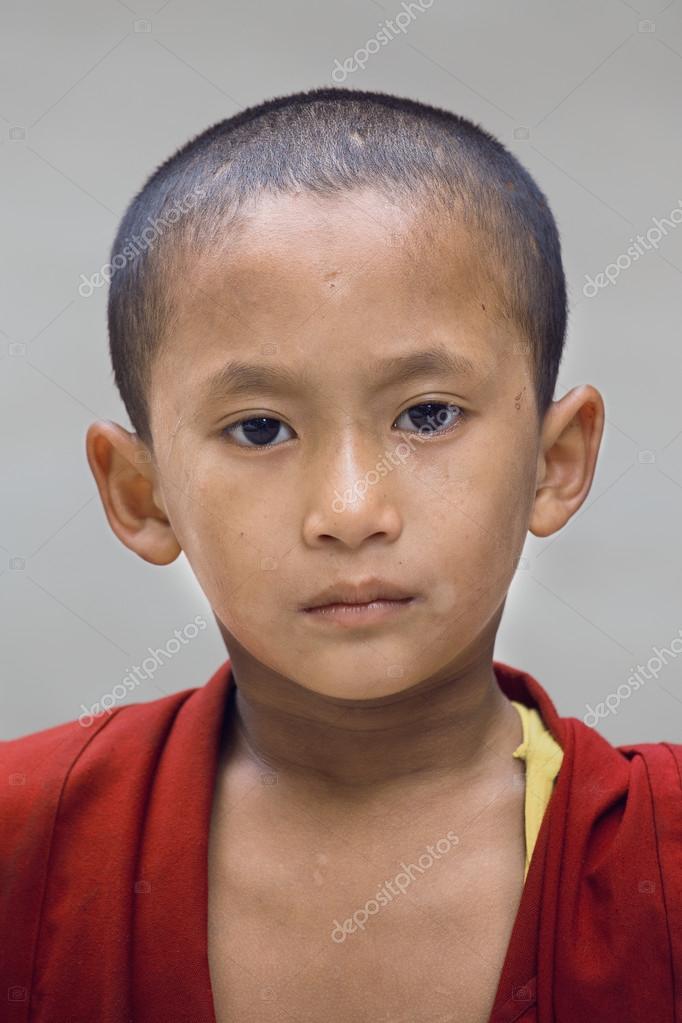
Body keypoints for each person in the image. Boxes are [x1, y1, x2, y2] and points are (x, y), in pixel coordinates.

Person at [2, 87, 680, 1023]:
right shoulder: (24, 845)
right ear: (139, 492)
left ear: (554, 464)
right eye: (259, 428)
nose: (350, 510)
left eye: (428, 415)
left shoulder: (664, 862)